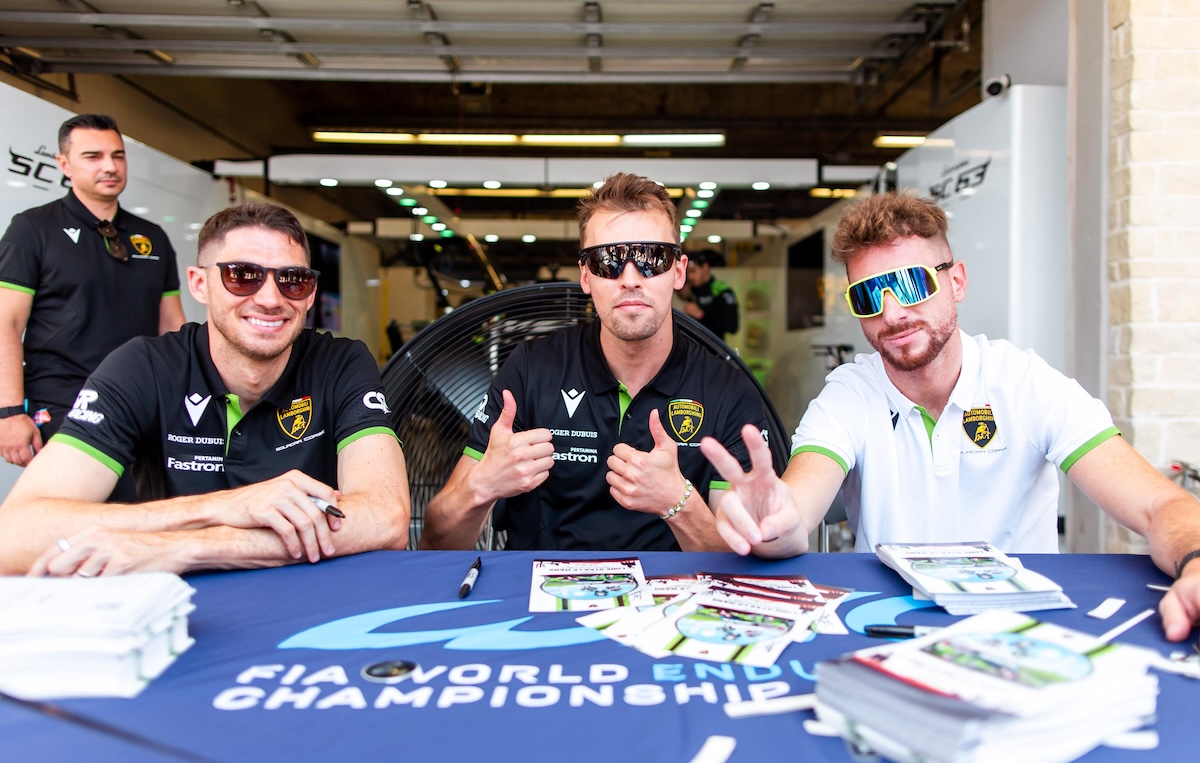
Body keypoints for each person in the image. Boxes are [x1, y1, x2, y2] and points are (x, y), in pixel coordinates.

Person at [700, 191, 1200, 642]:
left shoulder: (1025, 383)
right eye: (869, 295)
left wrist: (1196, 562)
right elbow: (797, 510)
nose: (892, 313)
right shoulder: (849, 395)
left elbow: (1160, 506)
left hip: (1019, 630)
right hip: (888, 629)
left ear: (956, 280)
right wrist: (775, 525)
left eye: (911, 284)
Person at [0, 202, 410, 576]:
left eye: (293, 281)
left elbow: (386, 517)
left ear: (310, 295)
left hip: (306, 598)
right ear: (199, 284)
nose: (270, 298)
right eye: (242, 277)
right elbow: (14, 535)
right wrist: (226, 506)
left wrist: (195, 546)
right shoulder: (143, 367)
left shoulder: (339, 362)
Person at [423, 173, 770, 551]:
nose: (631, 278)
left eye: (652, 258)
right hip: (539, 598)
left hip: (671, 603)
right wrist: (481, 486)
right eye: (609, 260)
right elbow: (435, 544)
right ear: (585, 276)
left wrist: (678, 502)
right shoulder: (530, 370)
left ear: (679, 271)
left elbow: (742, 565)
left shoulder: (729, 392)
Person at [0, 114, 186, 469]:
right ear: (64, 164)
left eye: (118, 156)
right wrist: (8, 412)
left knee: (140, 516)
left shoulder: (153, 237)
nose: (110, 166)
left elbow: (173, 327)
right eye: (93, 156)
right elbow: (4, 324)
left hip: (141, 402)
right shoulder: (32, 229)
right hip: (61, 405)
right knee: (71, 519)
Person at [680, 252, 739, 340]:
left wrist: (701, 315)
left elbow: (732, 326)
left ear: (705, 267)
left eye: (693, 271)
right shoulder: (690, 289)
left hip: (713, 349)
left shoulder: (722, 290)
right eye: (688, 272)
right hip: (692, 347)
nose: (690, 276)